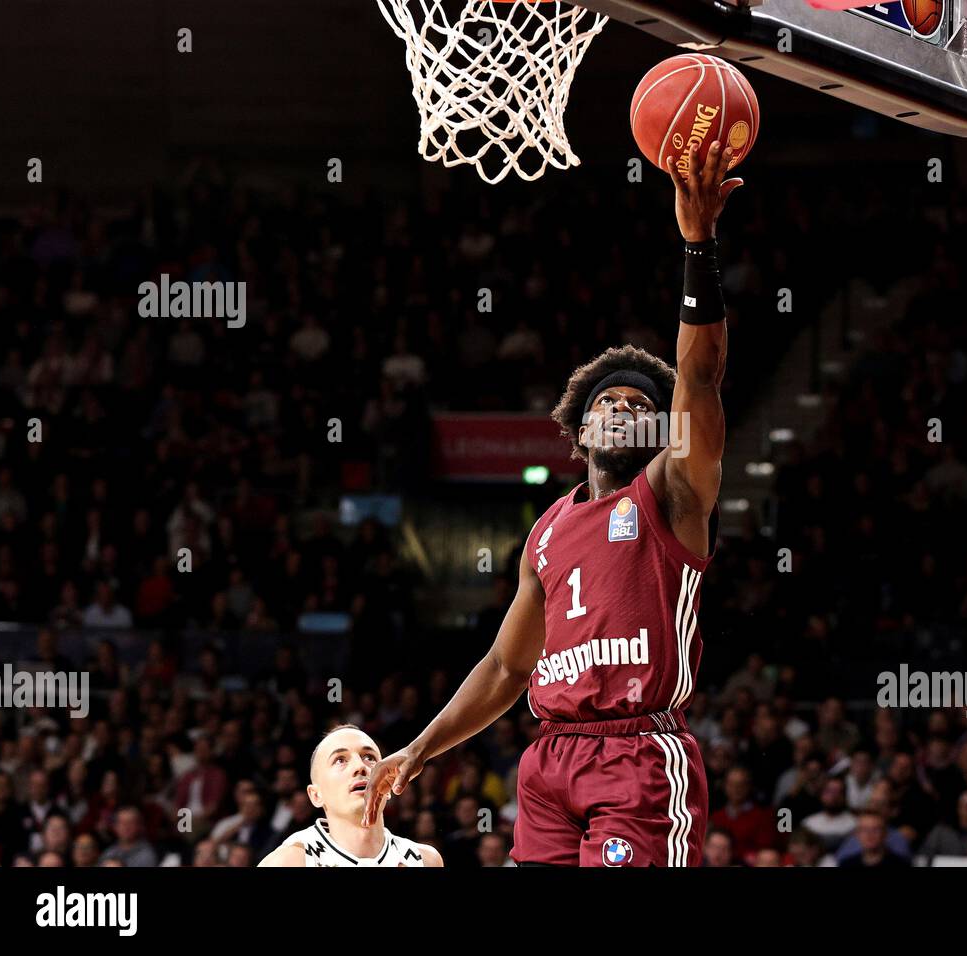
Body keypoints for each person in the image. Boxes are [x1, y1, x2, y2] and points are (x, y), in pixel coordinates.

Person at [364, 141, 743, 867]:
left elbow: (700, 375)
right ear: (579, 430)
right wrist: (417, 750)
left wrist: (699, 246)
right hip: (547, 763)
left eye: (641, 404)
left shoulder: (672, 490)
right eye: (609, 402)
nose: (625, 408)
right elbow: (507, 670)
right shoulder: (549, 528)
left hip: (637, 750)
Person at [259, 725, 441, 867]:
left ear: (390, 782)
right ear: (316, 795)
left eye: (369, 757)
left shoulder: (425, 860)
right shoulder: (290, 861)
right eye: (340, 760)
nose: (359, 766)